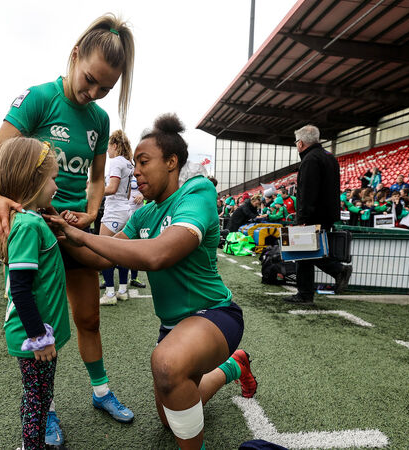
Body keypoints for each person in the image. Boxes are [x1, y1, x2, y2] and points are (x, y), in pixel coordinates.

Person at [45, 114, 257, 450]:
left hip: (214, 315)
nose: (136, 171)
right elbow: (103, 259)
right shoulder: (143, 213)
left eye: (144, 162)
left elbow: (159, 254)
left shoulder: (197, 191)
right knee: (174, 414)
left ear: (172, 162)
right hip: (173, 327)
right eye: (134, 164)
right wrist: (63, 234)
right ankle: (234, 366)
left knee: (166, 364)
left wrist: (77, 234)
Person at [0, 14, 136, 444]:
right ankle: (44, 409)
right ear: (74, 56)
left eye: (106, 88)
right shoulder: (38, 98)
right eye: (90, 81)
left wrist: (90, 212)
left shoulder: (100, 121)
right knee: (39, 325)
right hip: (35, 232)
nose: (94, 93)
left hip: (73, 232)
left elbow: (97, 179)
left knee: (87, 317)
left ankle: (101, 391)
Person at [0, 137, 71, 449]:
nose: (57, 185)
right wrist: (38, 336)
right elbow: (21, 289)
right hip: (33, 337)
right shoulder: (26, 225)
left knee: (38, 396)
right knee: (38, 402)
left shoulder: (33, 219)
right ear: (34, 180)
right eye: (52, 178)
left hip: (39, 334)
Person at [284, 125, 352, 304]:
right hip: (327, 213)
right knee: (307, 253)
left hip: (313, 215)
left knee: (303, 253)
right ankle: (306, 293)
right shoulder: (329, 157)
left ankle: (336, 271)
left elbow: (307, 192)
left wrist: (303, 218)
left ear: (301, 143)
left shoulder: (310, 160)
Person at [99, 130, 134, 305]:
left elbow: (111, 188)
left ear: (114, 145)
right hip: (126, 210)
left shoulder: (116, 162)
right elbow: (127, 194)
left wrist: (92, 192)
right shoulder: (129, 163)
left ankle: (110, 294)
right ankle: (122, 290)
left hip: (114, 211)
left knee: (102, 250)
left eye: (108, 147)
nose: (107, 151)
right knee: (122, 251)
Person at [127, 168, 147, 289]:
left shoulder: (142, 176)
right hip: (122, 213)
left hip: (138, 214)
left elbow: (151, 189)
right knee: (117, 243)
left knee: (136, 247)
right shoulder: (120, 172)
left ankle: (134, 277)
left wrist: (143, 195)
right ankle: (109, 282)